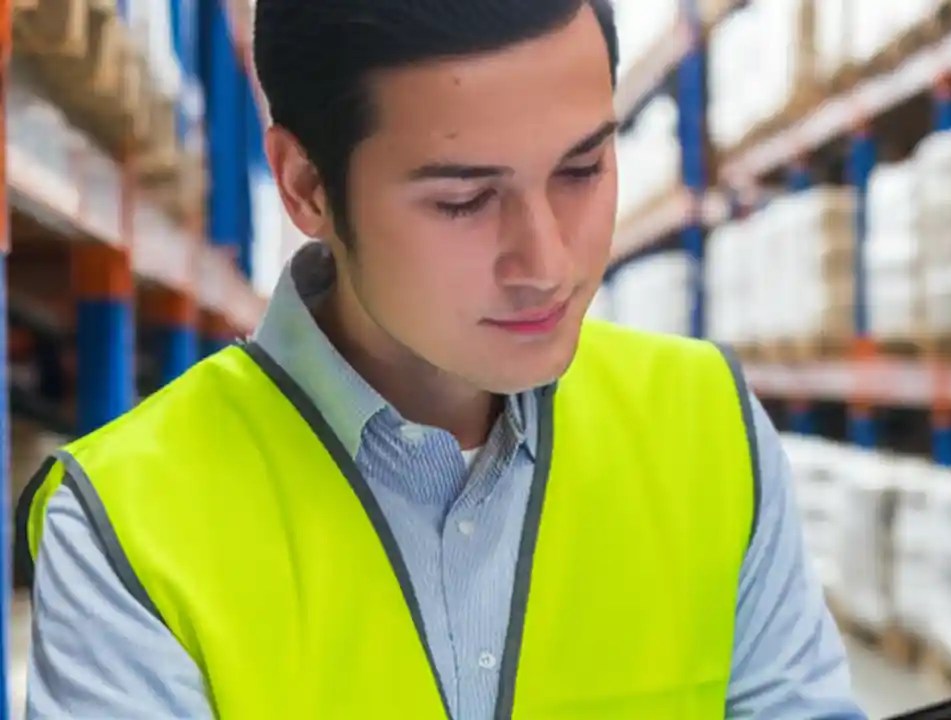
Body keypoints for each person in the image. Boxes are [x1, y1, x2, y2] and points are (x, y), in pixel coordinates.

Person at [18, 1, 866, 717]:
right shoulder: (123, 531)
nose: (546, 262)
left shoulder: (707, 427)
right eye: (463, 201)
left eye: (583, 169)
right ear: (307, 186)